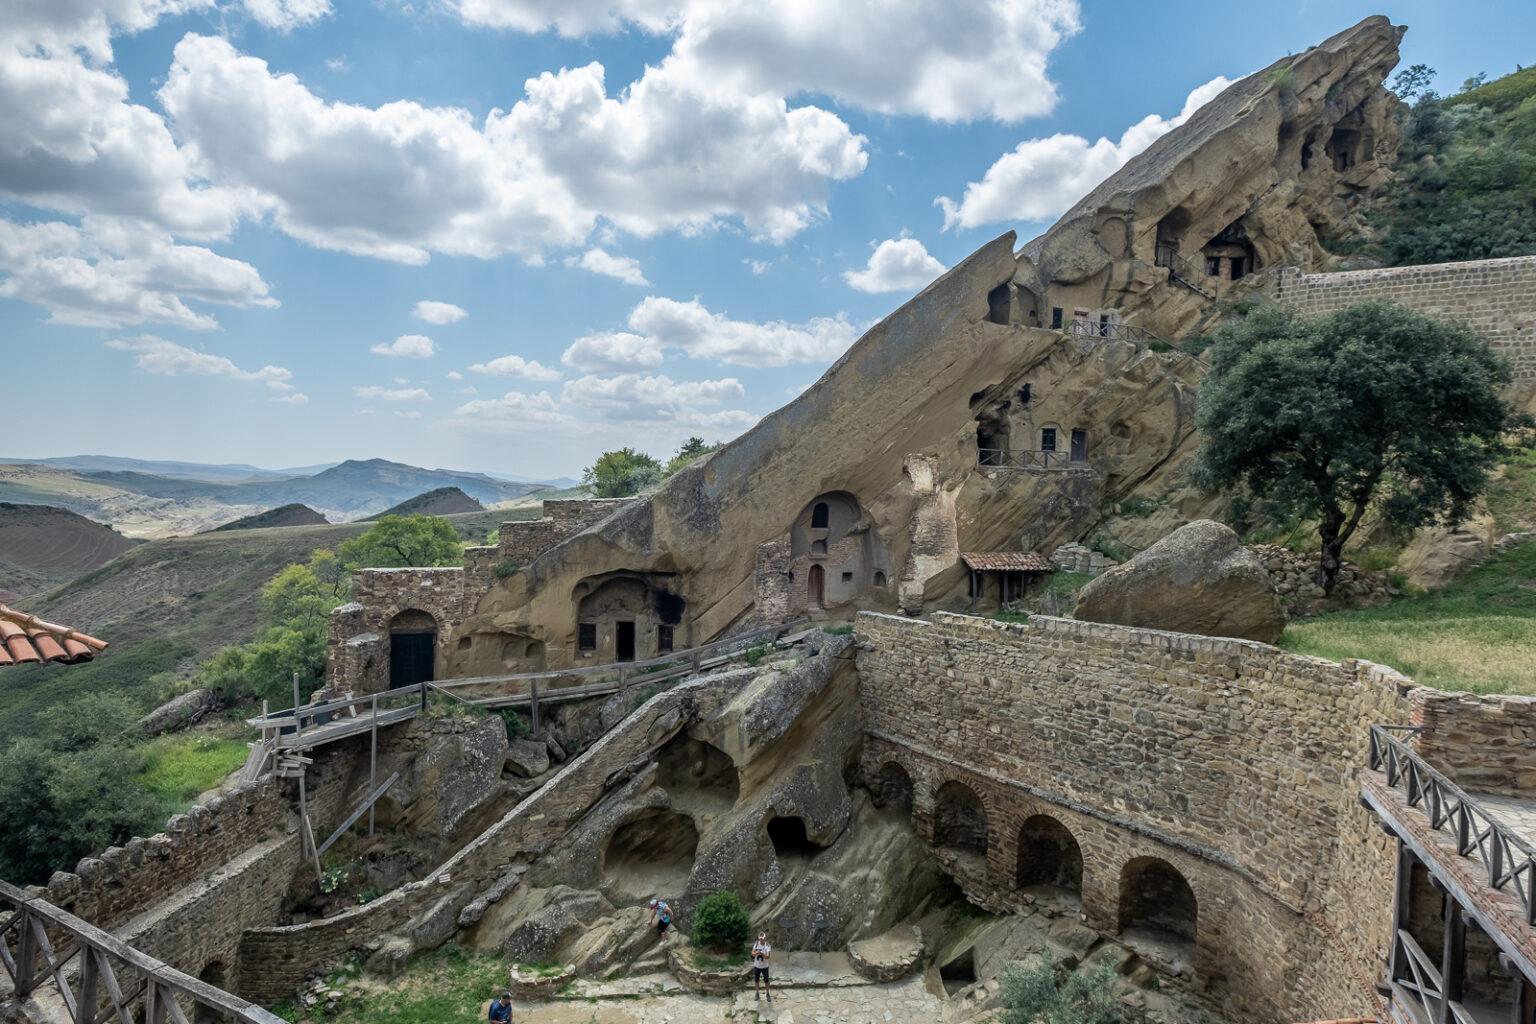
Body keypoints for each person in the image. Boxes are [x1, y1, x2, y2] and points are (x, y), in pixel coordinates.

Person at [751, 932, 772, 1002]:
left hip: (765, 966)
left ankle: (767, 994)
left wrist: (762, 954)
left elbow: (768, 957)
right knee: (756, 980)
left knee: (766, 981)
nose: (761, 940)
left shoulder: (767, 945)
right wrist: (756, 953)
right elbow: (752, 954)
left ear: (765, 938)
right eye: (760, 939)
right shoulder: (756, 944)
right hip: (757, 966)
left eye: (762, 939)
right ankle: (757, 993)